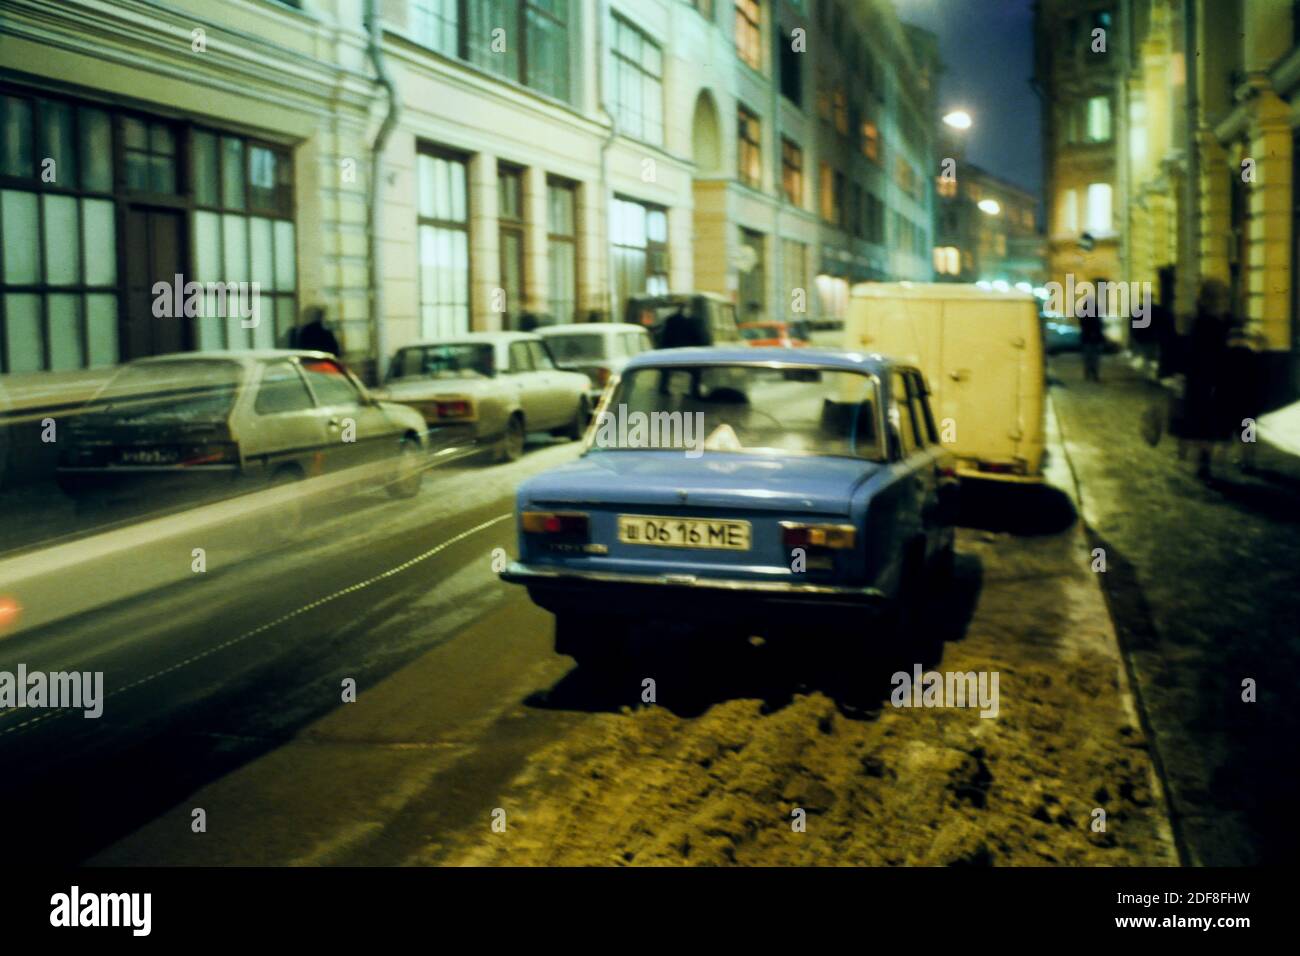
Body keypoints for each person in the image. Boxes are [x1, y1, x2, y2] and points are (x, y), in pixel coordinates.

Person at [1182, 279, 1232, 479]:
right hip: (1209, 380)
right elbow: (1211, 354)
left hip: (1204, 381)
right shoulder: (1210, 324)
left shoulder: (1202, 321)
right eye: (1221, 298)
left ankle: (1203, 461)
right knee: (1206, 424)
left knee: (1204, 424)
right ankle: (1204, 463)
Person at [1079, 311, 1104, 382]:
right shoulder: (1093, 316)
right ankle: (1092, 373)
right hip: (1091, 340)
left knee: (1090, 358)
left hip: (1090, 340)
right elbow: (1099, 326)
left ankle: (1090, 373)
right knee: (1093, 358)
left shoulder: (1085, 316)